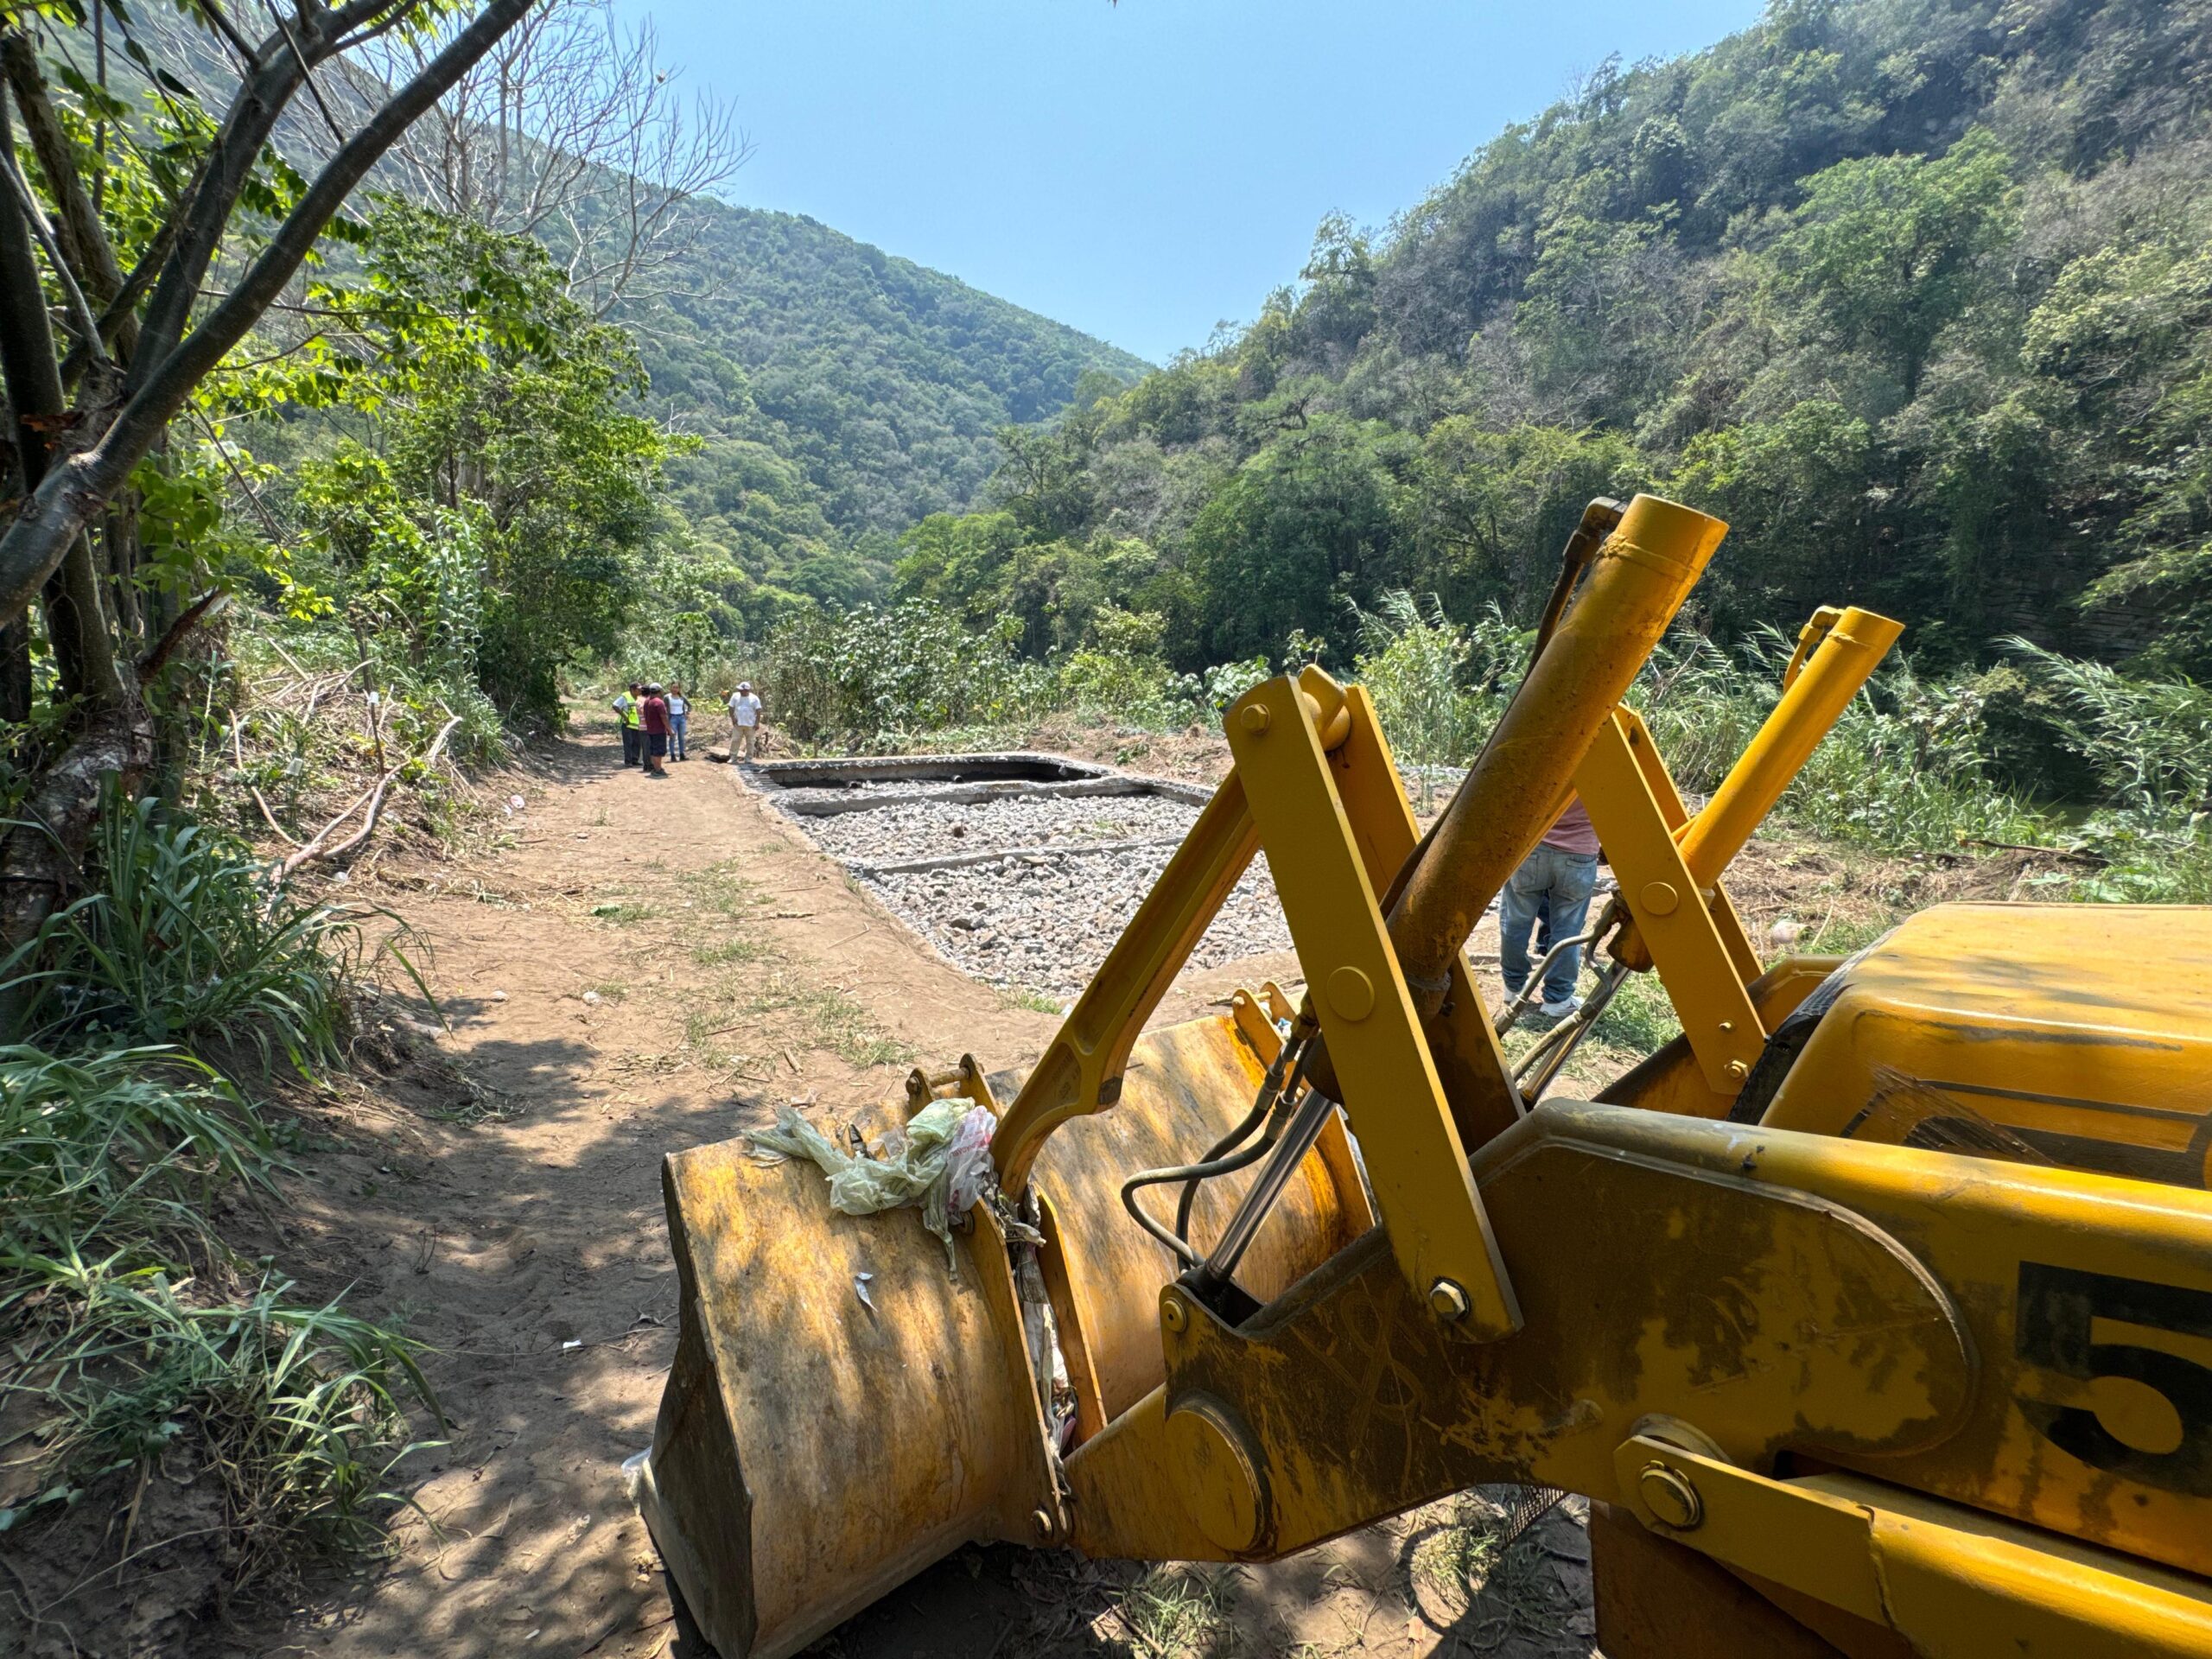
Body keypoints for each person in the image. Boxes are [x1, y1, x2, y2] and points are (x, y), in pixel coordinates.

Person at [1499, 794, 1600, 1020]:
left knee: (1516, 921)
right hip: (1579, 855)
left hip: (1533, 847)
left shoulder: (1550, 759)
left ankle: (1513, 989)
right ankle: (1558, 999)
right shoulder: (1601, 764)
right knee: (1568, 930)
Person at [639, 683, 671, 776]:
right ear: (660, 691)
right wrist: (670, 730)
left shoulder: (647, 701)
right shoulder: (659, 702)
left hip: (650, 730)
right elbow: (664, 717)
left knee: (653, 750)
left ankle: (656, 768)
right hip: (659, 730)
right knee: (659, 751)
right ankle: (658, 770)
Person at [728, 680, 764, 760]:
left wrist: (757, 723)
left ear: (747, 690)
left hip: (750, 725)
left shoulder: (754, 698)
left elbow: (758, 711)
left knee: (750, 742)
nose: (740, 691)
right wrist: (733, 718)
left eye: (742, 690)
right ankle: (733, 757)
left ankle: (749, 758)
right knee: (735, 740)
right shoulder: (735, 696)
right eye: (739, 689)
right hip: (738, 724)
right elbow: (730, 707)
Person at [613, 683, 641, 768]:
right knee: (628, 743)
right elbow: (615, 706)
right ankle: (628, 761)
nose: (640, 691)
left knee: (637, 742)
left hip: (636, 724)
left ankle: (635, 760)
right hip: (627, 724)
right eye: (638, 690)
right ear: (633, 690)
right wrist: (625, 717)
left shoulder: (639, 698)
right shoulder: (625, 697)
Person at [667, 683, 690, 761]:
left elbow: (690, 705)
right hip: (672, 718)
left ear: (679, 689)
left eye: (677, 687)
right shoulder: (667, 697)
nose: (675, 689)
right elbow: (663, 707)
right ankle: (672, 755)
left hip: (681, 718)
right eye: (673, 687)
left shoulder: (682, 697)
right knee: (672, 737)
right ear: (670, 688)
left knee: (681, 737)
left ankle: (682, 754)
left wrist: (687, 713)